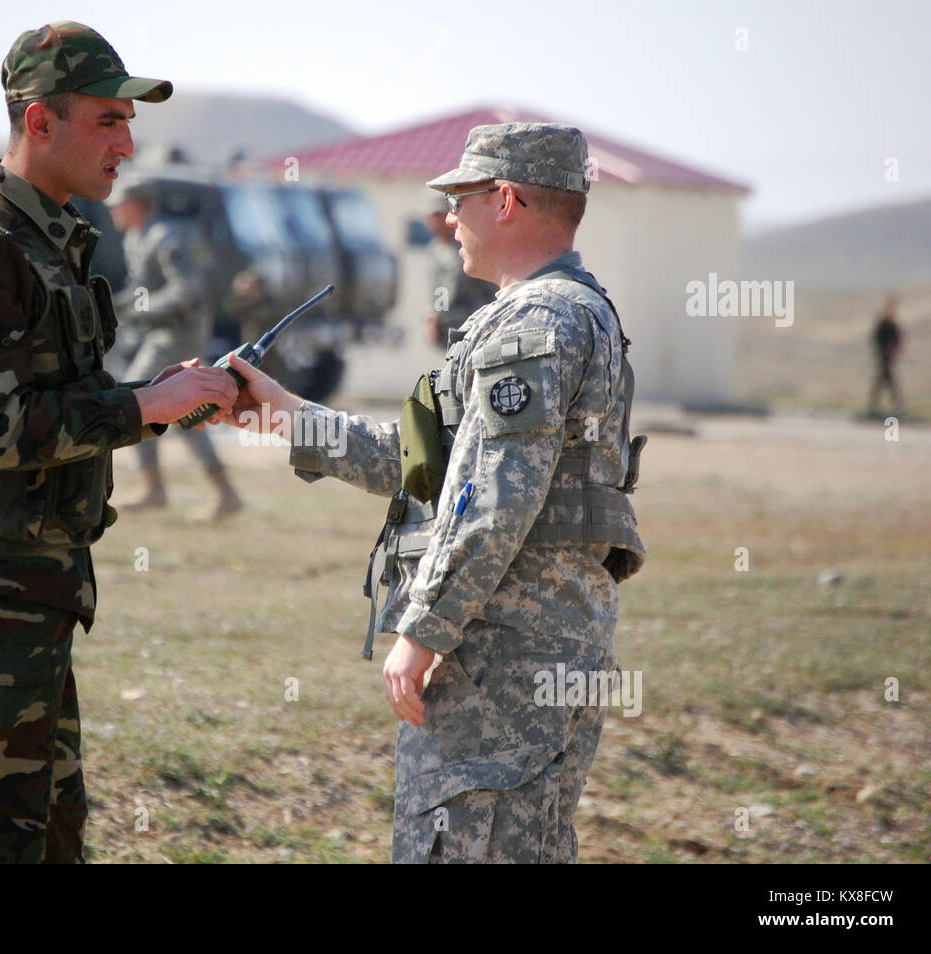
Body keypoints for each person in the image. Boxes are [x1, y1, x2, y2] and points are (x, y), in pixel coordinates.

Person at [217, 123, 646, 863]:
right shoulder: (548, 312)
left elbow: (492, 500)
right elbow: (425, 464)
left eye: (462, 198)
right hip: (532, 644)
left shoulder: (538, 320)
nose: (450, 218)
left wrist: (423, 634)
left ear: (505, 199)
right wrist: (284, 414)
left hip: (501, 651)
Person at [0, 20, 237, 863]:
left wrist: (159, 398)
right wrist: (144, 407)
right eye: (108, 120)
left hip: (29, 580)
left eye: (129, 120)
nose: (128, 141)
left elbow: (52, 398)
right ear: (41, 122)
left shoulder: (50, 237)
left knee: (49, 836)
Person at [111, 182, 243, 519]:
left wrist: (140, 310)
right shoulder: (136, 238)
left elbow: (186, 290)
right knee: (183, 411)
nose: (114, 211)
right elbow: (141, 288)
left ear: (140, 205)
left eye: (120, 204)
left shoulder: (166, 237)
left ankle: (158, 488)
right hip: (160, 332)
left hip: (179, 334)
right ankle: (214, 492)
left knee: (139, 397)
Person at [421, 190, 497, 347]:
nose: (435, 221)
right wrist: (435, 314)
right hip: (451, 325)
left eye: (439, 215)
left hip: (478, 321)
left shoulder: (468, 247)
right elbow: (439, 288)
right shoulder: (435, 250)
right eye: (432, 216)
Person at [868, 294, 904, 416]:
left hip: (889, 357)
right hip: (883, 357)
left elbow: (898, 339)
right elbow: (876, 339)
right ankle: (894, 405)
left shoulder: (892, 324)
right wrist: (882, 351)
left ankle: (878, 406)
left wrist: (895, 350)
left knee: (885, 381)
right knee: (885, 381)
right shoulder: (883, 323)